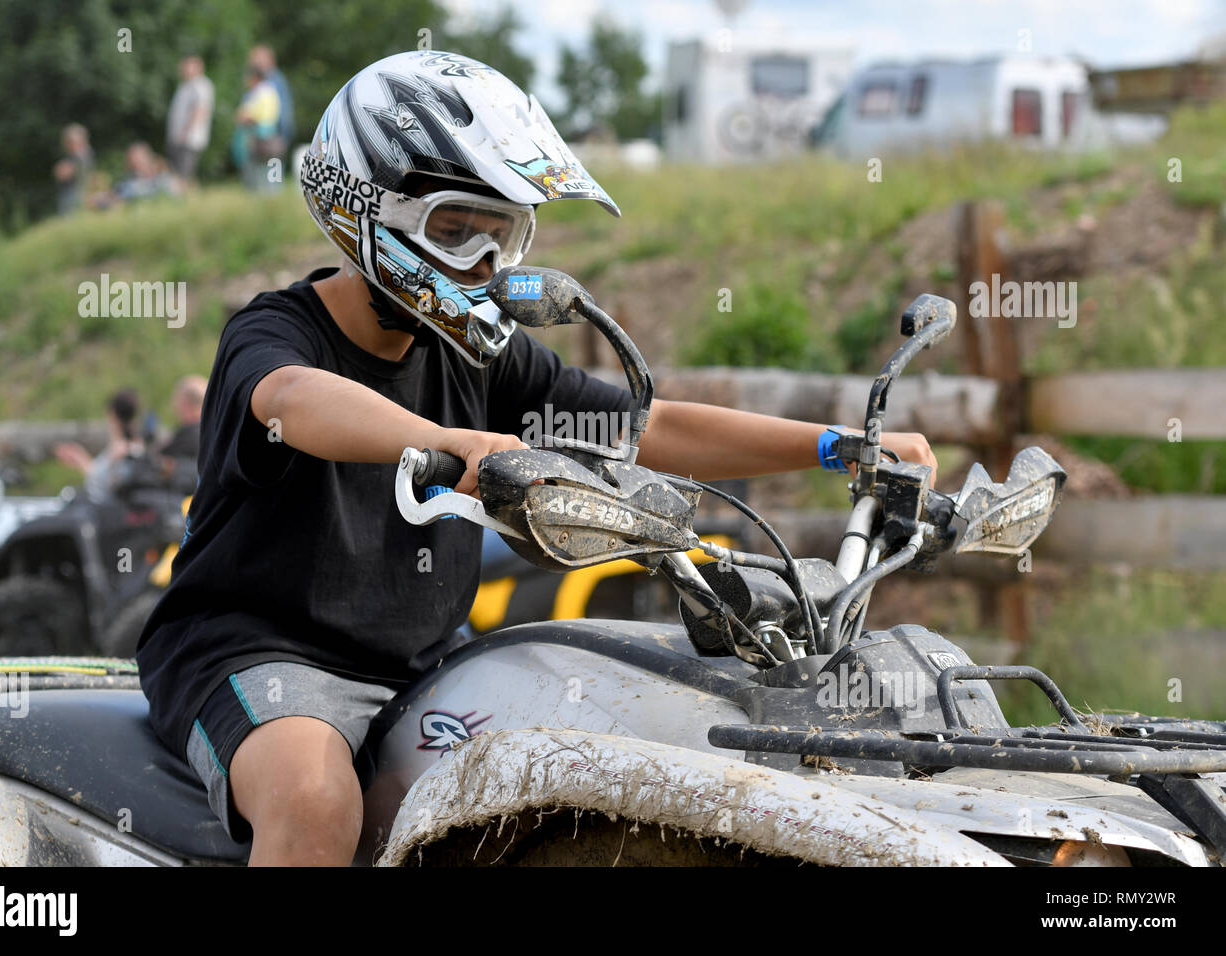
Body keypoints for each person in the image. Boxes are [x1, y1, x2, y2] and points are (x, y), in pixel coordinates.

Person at [135, 51, 938, 866]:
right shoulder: (275, 334)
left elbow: (641, 426)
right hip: (254, 652)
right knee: (316, 800)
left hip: (420, 659)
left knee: (567, 761)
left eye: (503, 233)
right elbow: (293, 402)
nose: (486, 264)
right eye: (455, 230)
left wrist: (837, 446)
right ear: (365, 210)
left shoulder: (481, 355)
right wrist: (446, 441)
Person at [55, 389, 147, 503]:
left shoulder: (123, 450)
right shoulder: (133, 445)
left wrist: (80, 459)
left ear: (112, 414)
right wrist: (79, 457)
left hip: (104, 511)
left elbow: (100, 485)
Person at [165, 55, 215, 188]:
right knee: (178, 171)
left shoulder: (201, 86)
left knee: (184, 172)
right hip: (179, 136)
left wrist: (186, 131)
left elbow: (200, 110)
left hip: (189, 138)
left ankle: (186, 196)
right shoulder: (186, 85)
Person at [231, 64, 283, 191]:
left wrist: (243, 117)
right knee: (269, 166)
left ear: (254, 77)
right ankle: (270, 192)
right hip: (267, 134)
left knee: (258, 168)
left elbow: (255, 115)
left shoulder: (262, 92)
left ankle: (261, 192)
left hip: (260, 136)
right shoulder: (269, 90)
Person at [248, 44, 294, 148]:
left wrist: (284, 137)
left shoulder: (276, 81)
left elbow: (284, 113)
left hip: (271, 138)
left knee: (271, 163)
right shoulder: (258, 81)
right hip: (259, 139)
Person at [114, 142, 180, 203]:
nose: (137, 163)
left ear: (147, 158)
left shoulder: (164, 176)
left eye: (139, 159)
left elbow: (177, 191)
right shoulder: (128, 183)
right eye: (133, 160)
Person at [52, 124, 94, 215]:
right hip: (71, 195)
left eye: (72, 142)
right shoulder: (73, 157)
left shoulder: (83, 155)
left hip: (79, 194)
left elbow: (64, 173)